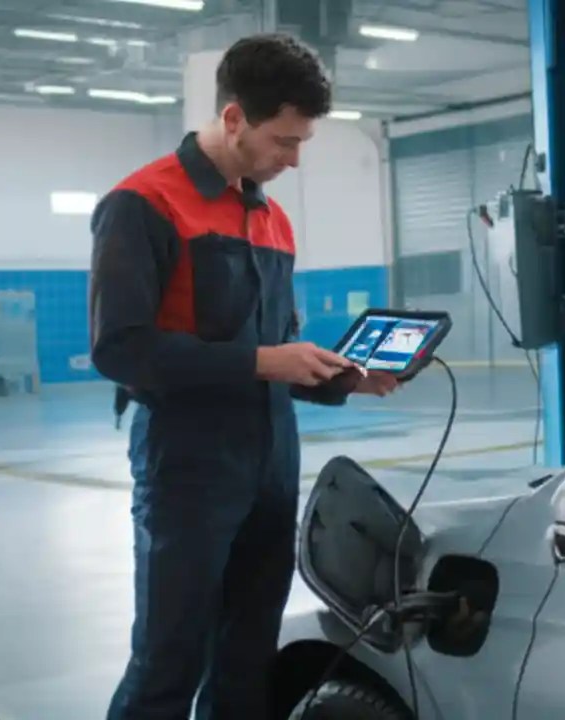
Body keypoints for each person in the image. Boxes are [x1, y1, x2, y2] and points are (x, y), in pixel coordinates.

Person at [88, 33, 398, 720]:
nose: (293, 158)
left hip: (270, 458)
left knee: (248, 654)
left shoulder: (272, 218)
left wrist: (344, 378)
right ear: (234, 119)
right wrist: (263, 361)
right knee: (172, 655)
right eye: (285, 141)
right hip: (188, 460)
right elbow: (121, 349)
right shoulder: (142, 204)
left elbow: (276, 350)